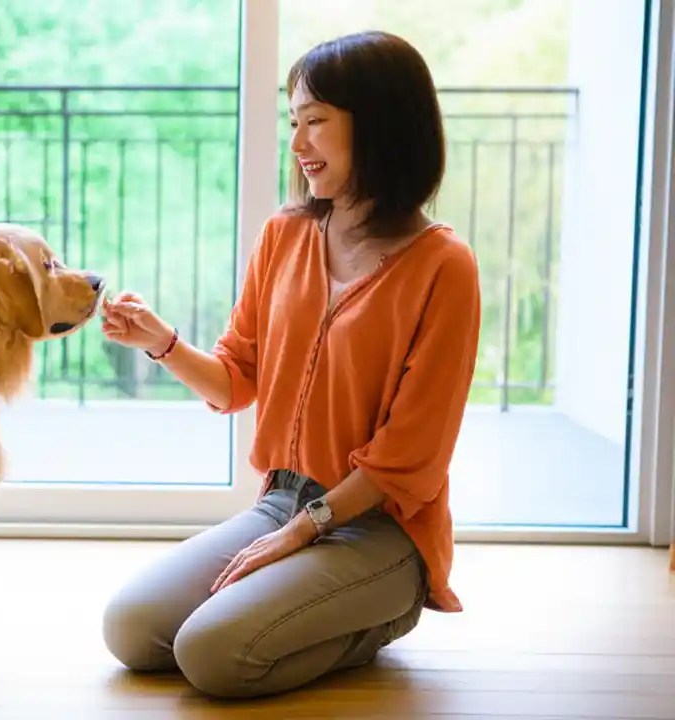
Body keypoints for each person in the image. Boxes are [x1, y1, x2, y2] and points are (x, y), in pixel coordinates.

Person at [98, 30, 481, 699]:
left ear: (381, 125)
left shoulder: (444, 268)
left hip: (378, 531)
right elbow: (236, 378)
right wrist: (160, 342)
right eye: (293, 122)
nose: (298, 144)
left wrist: (307, 533)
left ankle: (382, 615)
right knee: (132, 630)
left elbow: (412, 458)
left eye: (316, 123)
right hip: (282, 501)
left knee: (212, 656)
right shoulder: (287, 235)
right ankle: (295, 609)